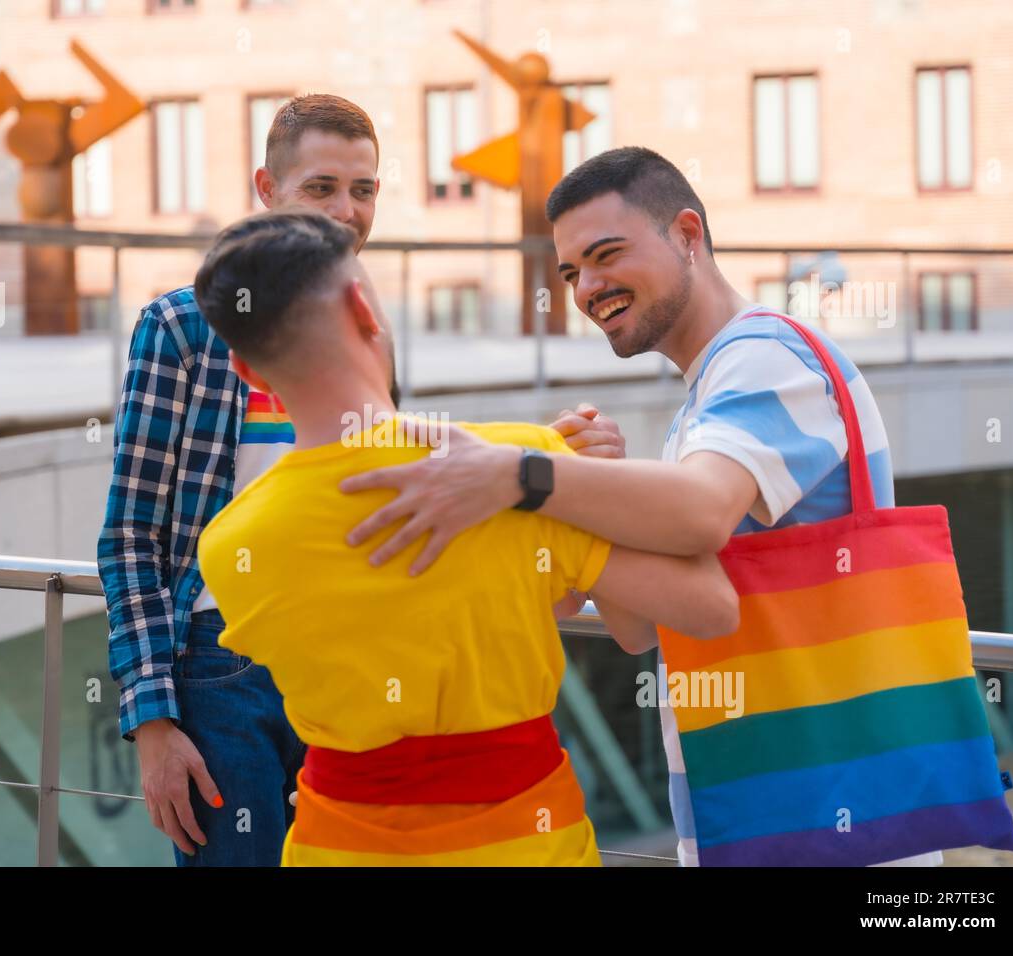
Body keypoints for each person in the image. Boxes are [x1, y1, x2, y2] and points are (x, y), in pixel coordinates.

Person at [337, 146, 940, 868]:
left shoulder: (767, 356)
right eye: (570, 273)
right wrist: (595, 483)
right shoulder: (705, 399)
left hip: (826, 810)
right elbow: (636, 628)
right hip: (756, 805)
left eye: (606, 255)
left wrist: (518, 475)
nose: (588, 288)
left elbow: (701, 514)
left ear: (688, 234)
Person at [191, 209, 739, 866]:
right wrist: (582, 486)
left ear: (246, 372)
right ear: (365, 311)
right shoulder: (510, 463)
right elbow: (710, 608)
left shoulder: (229, 547)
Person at [96, 94, 384, 866]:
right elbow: (130, 535)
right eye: (321, 187)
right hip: (223, 667)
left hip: (343, 661)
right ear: (267, 187)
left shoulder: (370, 330)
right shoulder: (185, 327)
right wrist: (153, 720)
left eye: (363, 190)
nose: (347, 211)